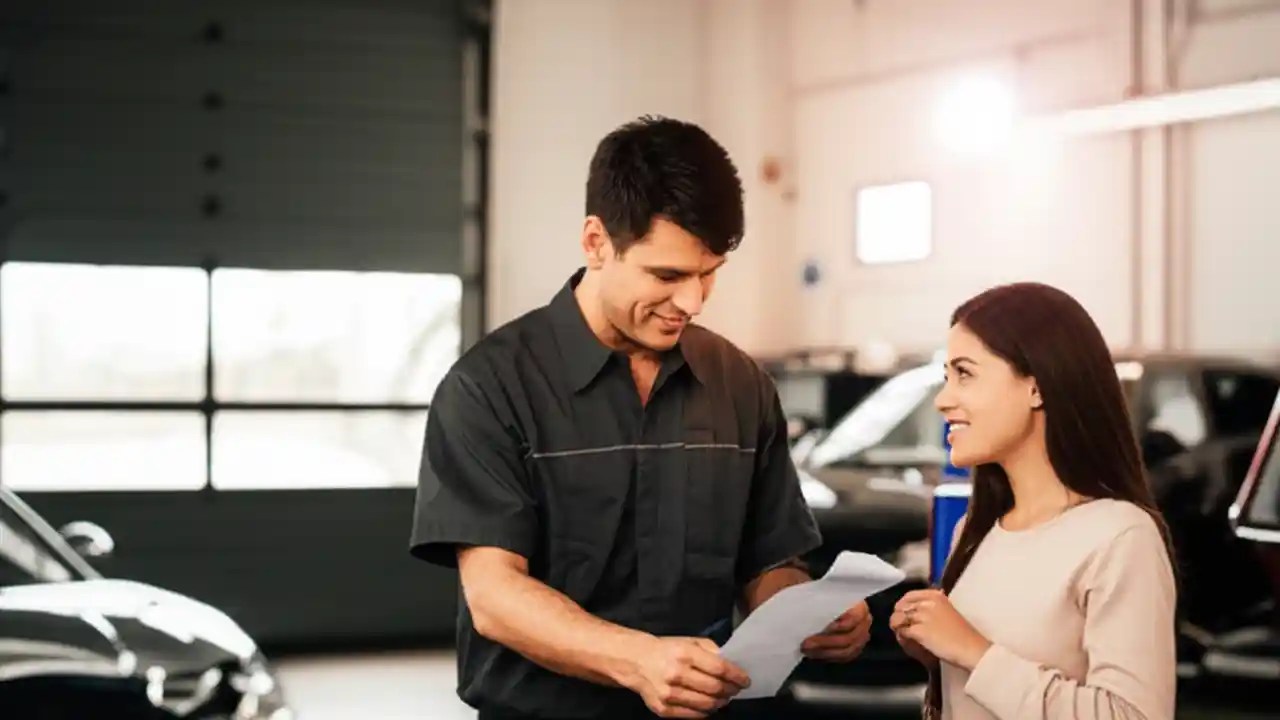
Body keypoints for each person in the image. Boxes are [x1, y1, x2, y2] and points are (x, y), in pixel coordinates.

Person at [409, 115, 872, 720]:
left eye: (709, 274)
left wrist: (809, 612)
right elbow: (495, 596)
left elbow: (770, 561)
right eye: (667, 275)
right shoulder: (489, 388)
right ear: (596, 242)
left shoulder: (741, 386)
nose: (693, 301)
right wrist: (639, 659)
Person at [890, 282, 1178, 720]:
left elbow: (1133, 715)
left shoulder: (1120, 536)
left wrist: (972, 652)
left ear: (1037, 388)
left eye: (964, 374)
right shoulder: (974, 529)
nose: (943, 401)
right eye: (946, 378)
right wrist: (938, 655)